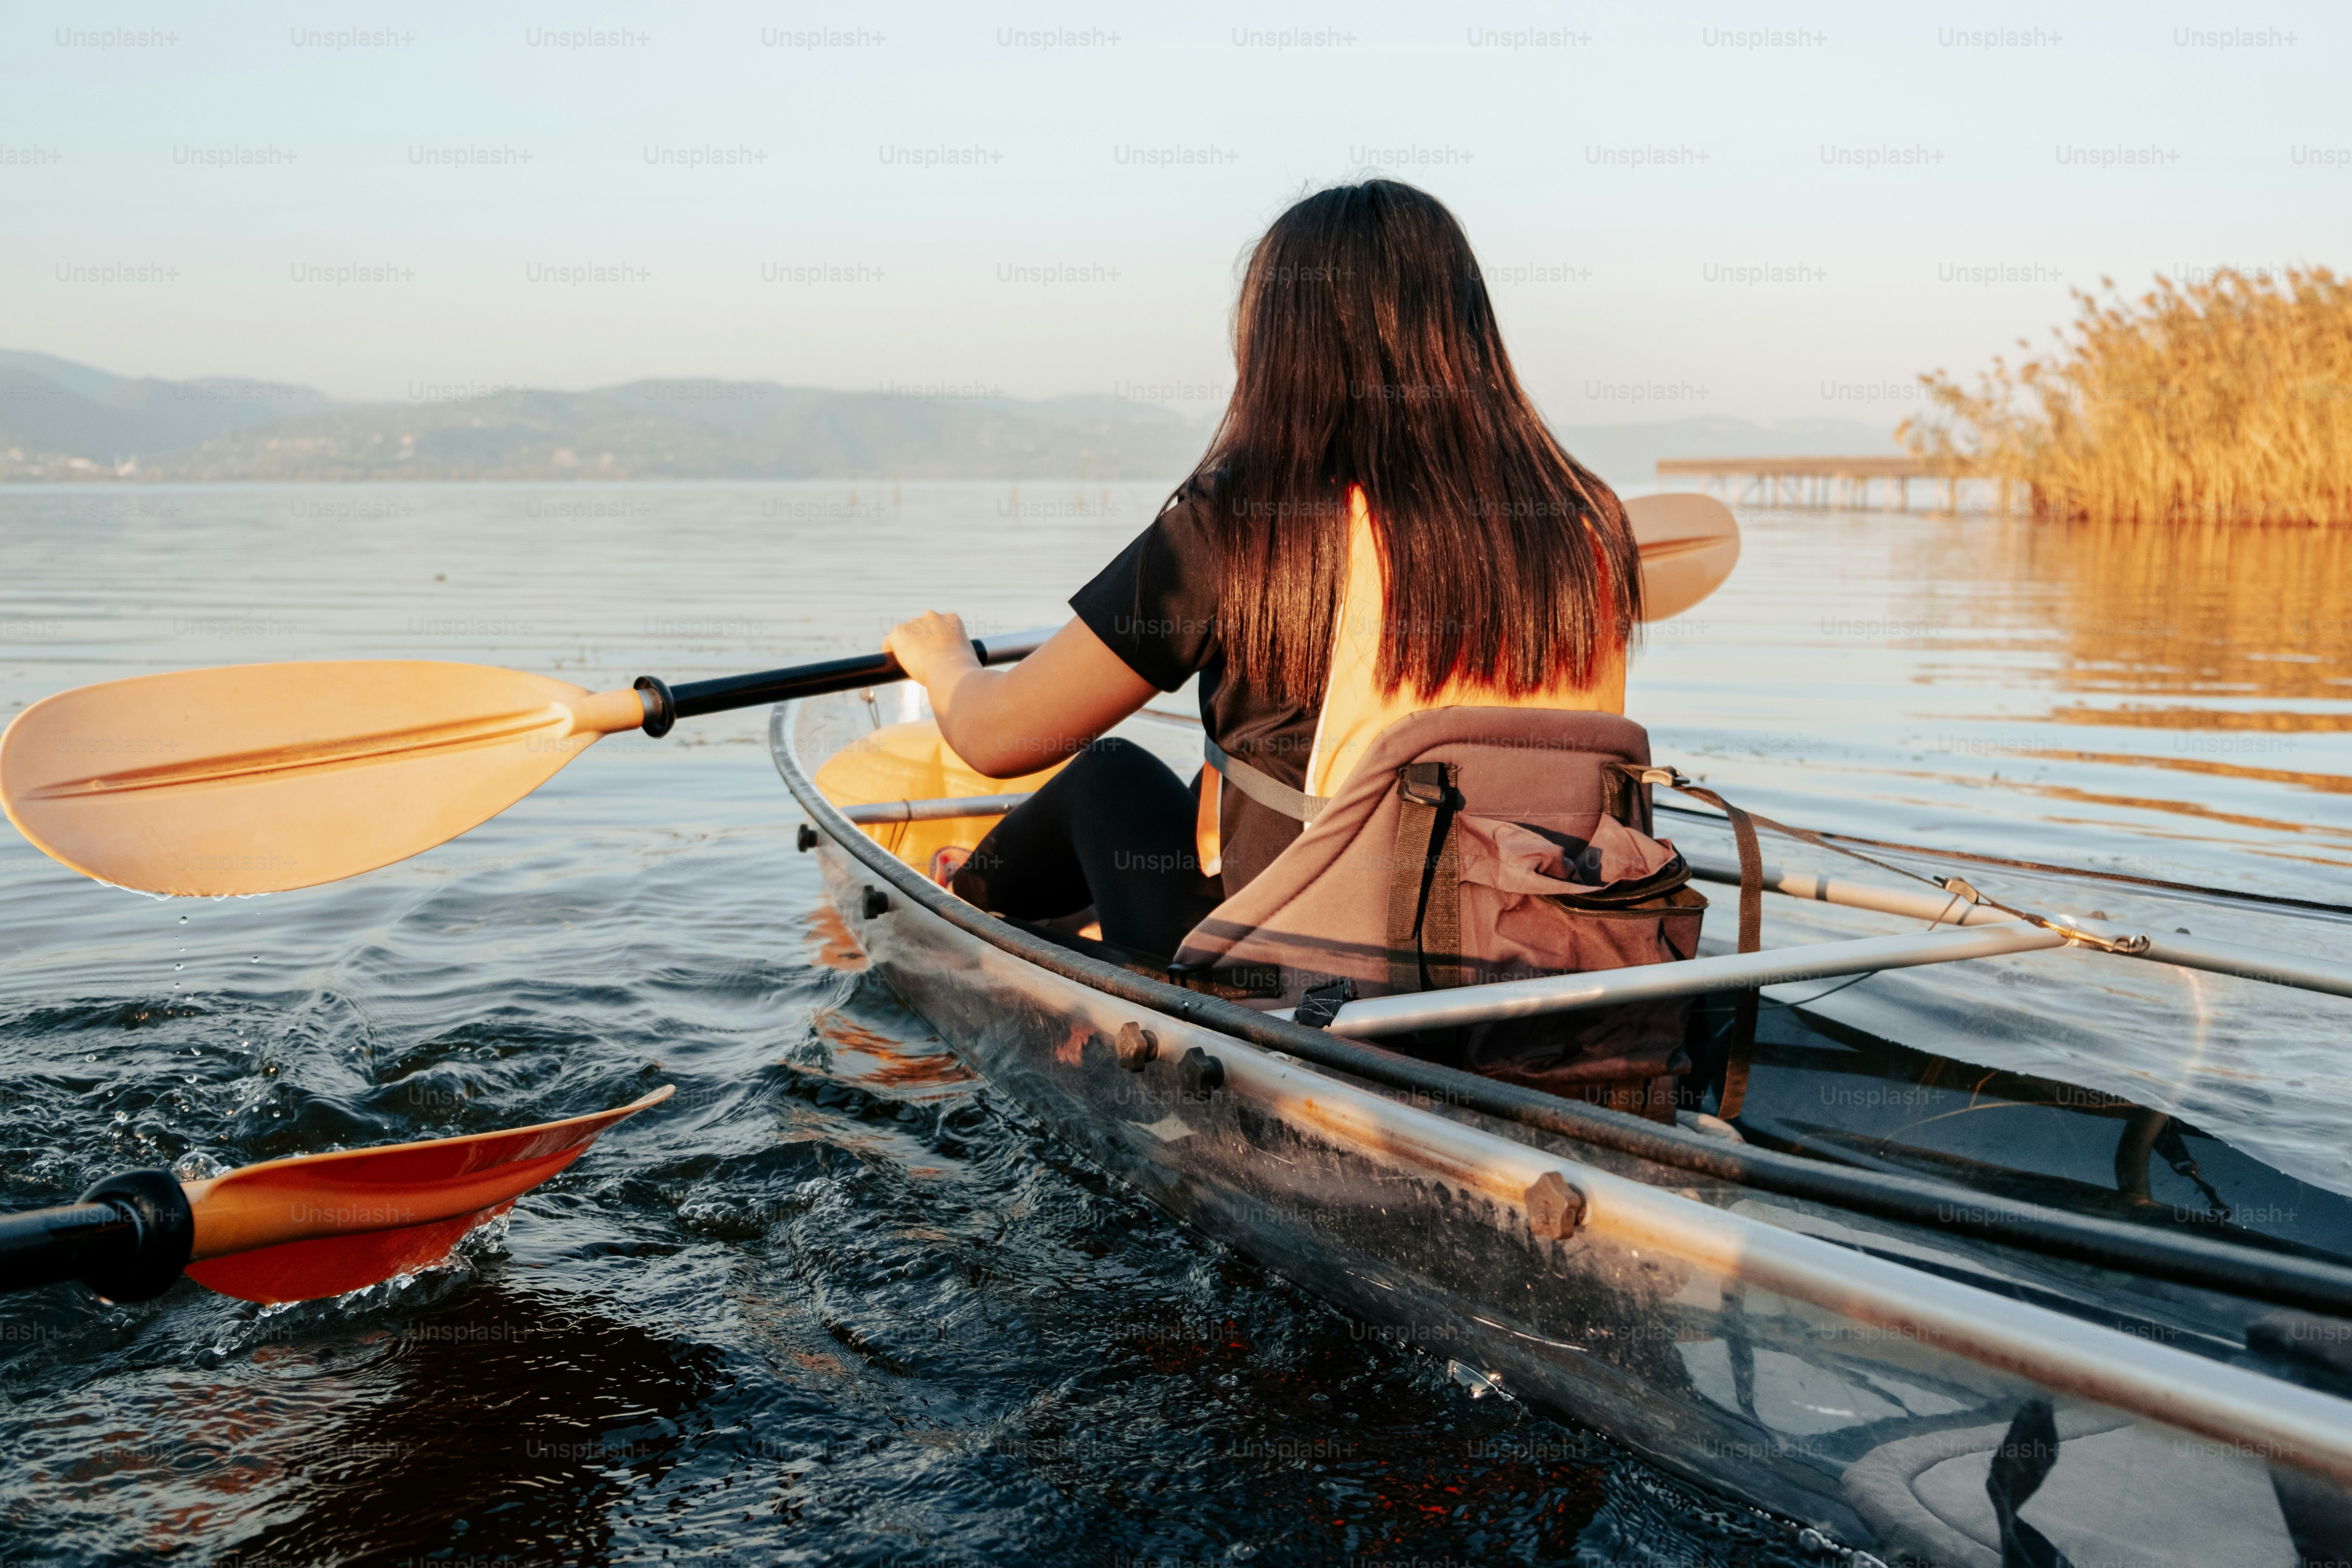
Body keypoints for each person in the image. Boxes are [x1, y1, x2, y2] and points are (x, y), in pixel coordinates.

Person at [882, 178, 1642, 959]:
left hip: (1309, 968)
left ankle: (957, 918)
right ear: (1466, 325)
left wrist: (942, 661)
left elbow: (996, 739)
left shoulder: (1241, 523)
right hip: (1534, 942)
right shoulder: (1585, 522)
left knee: (1108, 775)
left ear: (1277, 340)